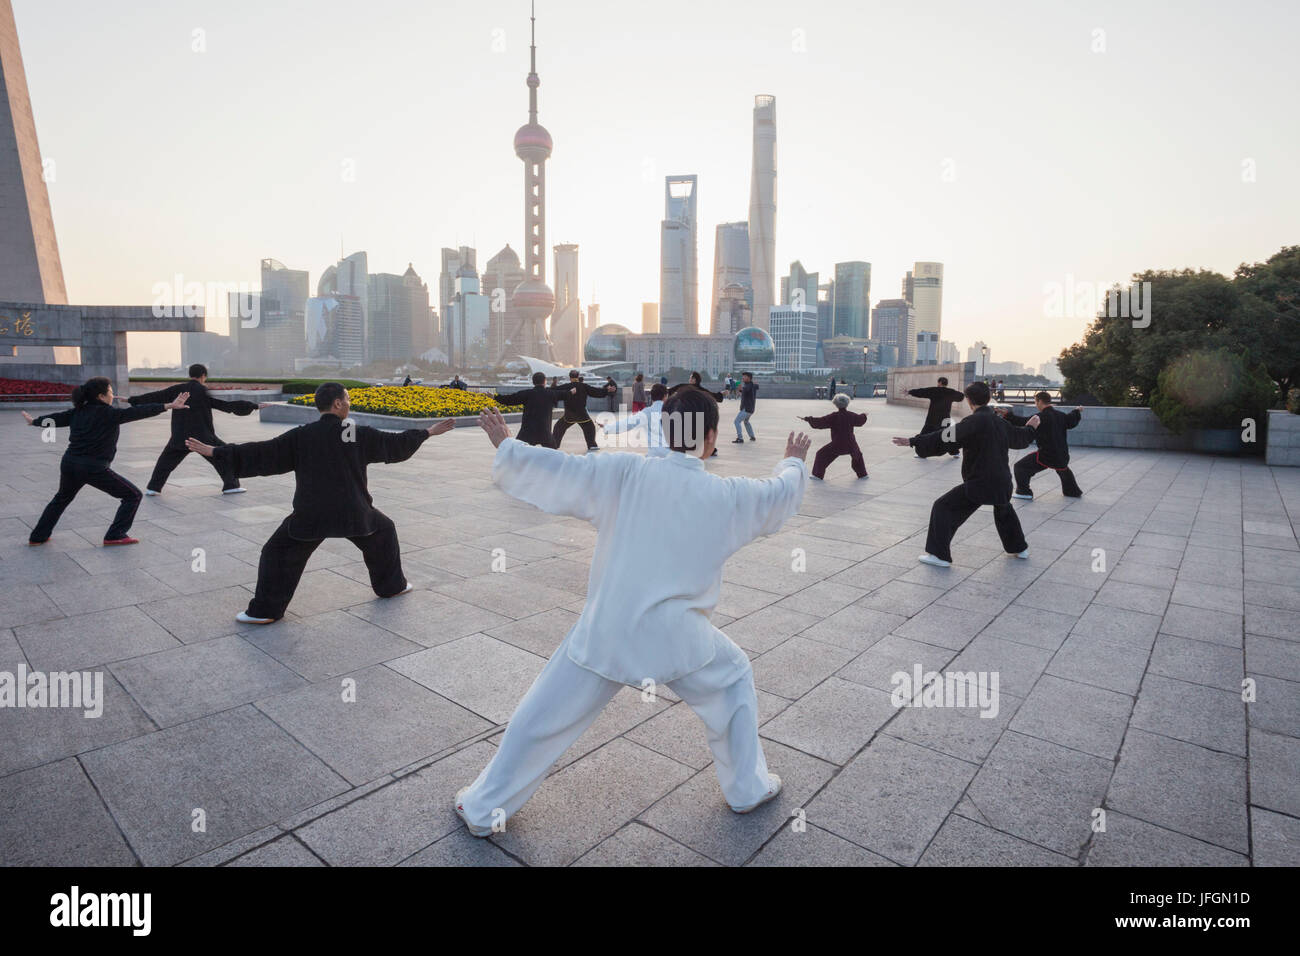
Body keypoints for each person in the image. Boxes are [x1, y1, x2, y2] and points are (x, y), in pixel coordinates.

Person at [455, 391, 811, 835]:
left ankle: (483, 808)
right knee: (734, 677)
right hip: (680, 638)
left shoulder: (624, 472)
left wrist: (507, 447)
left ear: (665, 429)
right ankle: (747, 789)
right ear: (711, 437)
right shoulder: (728, 496)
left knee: (544, 714)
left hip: (609, 629)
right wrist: (793, 461)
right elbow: (779, 494)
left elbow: (561, 470)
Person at [184, 383, 454, 623]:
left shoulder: (303, 435)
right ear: (337, 403)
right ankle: (392, 587)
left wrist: (219, 452)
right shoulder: (354, 433)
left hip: (311, 515)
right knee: (383, 531)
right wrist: (427, 432)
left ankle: (264, 612)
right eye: (347, 399)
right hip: (355, 512)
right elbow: (393, 444)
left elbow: (264, 452)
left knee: (276, 554)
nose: (349, 404)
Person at [23, 377, 190, 546]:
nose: (112, 395)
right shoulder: (109, 413)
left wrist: (35, 421)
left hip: (69, 463)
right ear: (101, 396)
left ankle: (38, 537)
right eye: (110, 392)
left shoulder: (78, 411)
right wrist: (168, 406)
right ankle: (115, 534)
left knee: (61, 499)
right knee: (133, 495)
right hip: (93, 468)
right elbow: (137, 412)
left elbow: (56, 418)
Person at [891, 381, 1039, 568]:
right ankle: (1019, 548)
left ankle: (939, 556)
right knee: (1004, 511)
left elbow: (944, 437)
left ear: (969, 401)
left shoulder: (973, 422)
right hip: (1002, 482)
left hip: (980, 482)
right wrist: (1031, 427)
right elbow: (1020, 438)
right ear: (988, 398)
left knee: (943, 507)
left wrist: (914, 441)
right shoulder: (1000, 422)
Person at [127, 363, 268, 496]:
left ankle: (153, 488)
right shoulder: (203, 391)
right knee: (222, 456)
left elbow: (155, 396)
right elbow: (226, 405)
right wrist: (253, 406)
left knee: (165, 463)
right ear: (203, 376)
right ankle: (231, 486)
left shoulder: (177, 389)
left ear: (190, 375)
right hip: (203, 436)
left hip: (180, 436)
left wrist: (131, 400)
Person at [999, 392, 1084, 500]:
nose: (1036, 404)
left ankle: (1024, 492)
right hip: (1062, 453)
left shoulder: (1040, 417)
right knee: (1062, 467)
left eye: (1035, 402)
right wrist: (1077, 410)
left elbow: (1023, 422)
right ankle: (1072, 492)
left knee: (1020, 467)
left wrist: (1007, 415)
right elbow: (1071, 419)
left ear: (1039, 401)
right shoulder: (1061, 415)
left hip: (1046, 455)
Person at [801, 393, 868, 480]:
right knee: (858, 456)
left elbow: (820, 422)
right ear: (847, 403)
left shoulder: (833, 416)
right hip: (851, 444)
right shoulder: (851, 415)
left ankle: (817, 475)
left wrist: (808, 419)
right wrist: (864, 415)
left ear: (836, 404)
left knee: (821, 454)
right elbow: (860, 420)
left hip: (837, 444)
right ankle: (863, 475)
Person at [494, 372, 568, 448]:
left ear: (533, 382)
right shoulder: (550, 393)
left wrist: (495, 397)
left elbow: (509, 399)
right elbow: (565, 394)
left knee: (518, 449)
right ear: (545, 381)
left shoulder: (527, 393)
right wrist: (572, 390)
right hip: (544, 431)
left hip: (528, 431)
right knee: (552, 451)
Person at [552, 370, 614, 452]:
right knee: (590, 427)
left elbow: (553, 391)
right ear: (578, 376)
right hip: (582, 414)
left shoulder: (566, 386)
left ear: (570, 377)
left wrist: (547, 386)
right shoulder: (584, 386)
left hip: (569, 415)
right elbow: (595, 392)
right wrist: (606, 390)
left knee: (558, 427)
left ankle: (554, 444)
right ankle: (592, 445)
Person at [600, 382, 668, 456]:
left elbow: (627, 424)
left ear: (651, 396)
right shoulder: (672, 410)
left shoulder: (647, 412)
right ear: (665, 396)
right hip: (671, 455)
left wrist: (607, 428)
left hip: (655, 455)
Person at [907, 376, 966, 459]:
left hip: (932, 419)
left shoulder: (934, 390)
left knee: (924, 436)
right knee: (948, 436)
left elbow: (922, 392)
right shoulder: (950, 392)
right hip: (945, 419)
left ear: (939, 383)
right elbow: (961, 396)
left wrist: (910, 392)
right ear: (946, 383)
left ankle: (920, 453)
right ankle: (955, 453)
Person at [733, 371, 758, 443]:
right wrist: (741, 389)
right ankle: (752, 436)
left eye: (744, 376)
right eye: (743, 376)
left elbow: (746, 389)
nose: (743, 378)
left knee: (737, 421)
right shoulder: (751, 385)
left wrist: (740, 388)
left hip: (746, 408)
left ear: (749, 378)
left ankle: (740, 438)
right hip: (750, 409)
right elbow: (746, 392)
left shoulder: (749, 385)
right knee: (746, 422)